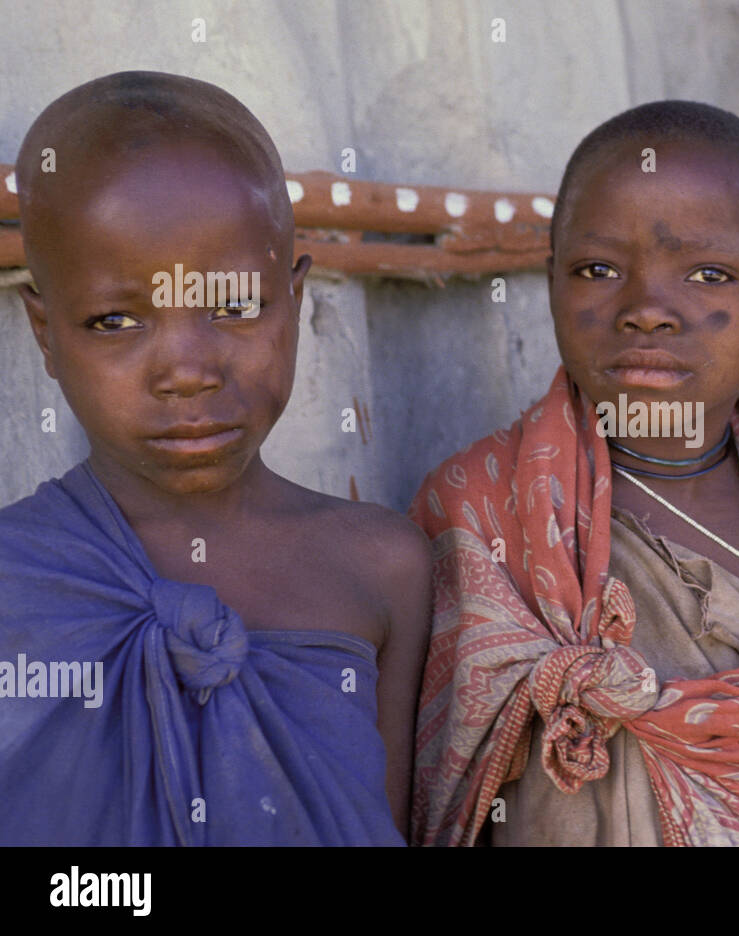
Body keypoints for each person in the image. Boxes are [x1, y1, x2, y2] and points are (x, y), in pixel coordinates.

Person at [410, 100, 739, 846]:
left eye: (708, 274)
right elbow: (449, 781)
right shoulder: (481, 505)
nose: (647, 309)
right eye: (598, 269)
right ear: (551, 287)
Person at [0, 71, 431, 845]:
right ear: (45, 334)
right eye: (116, 319)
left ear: (294, 302)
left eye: (233, 306)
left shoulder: (385, 566)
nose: (187, 369)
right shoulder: (14, 578)